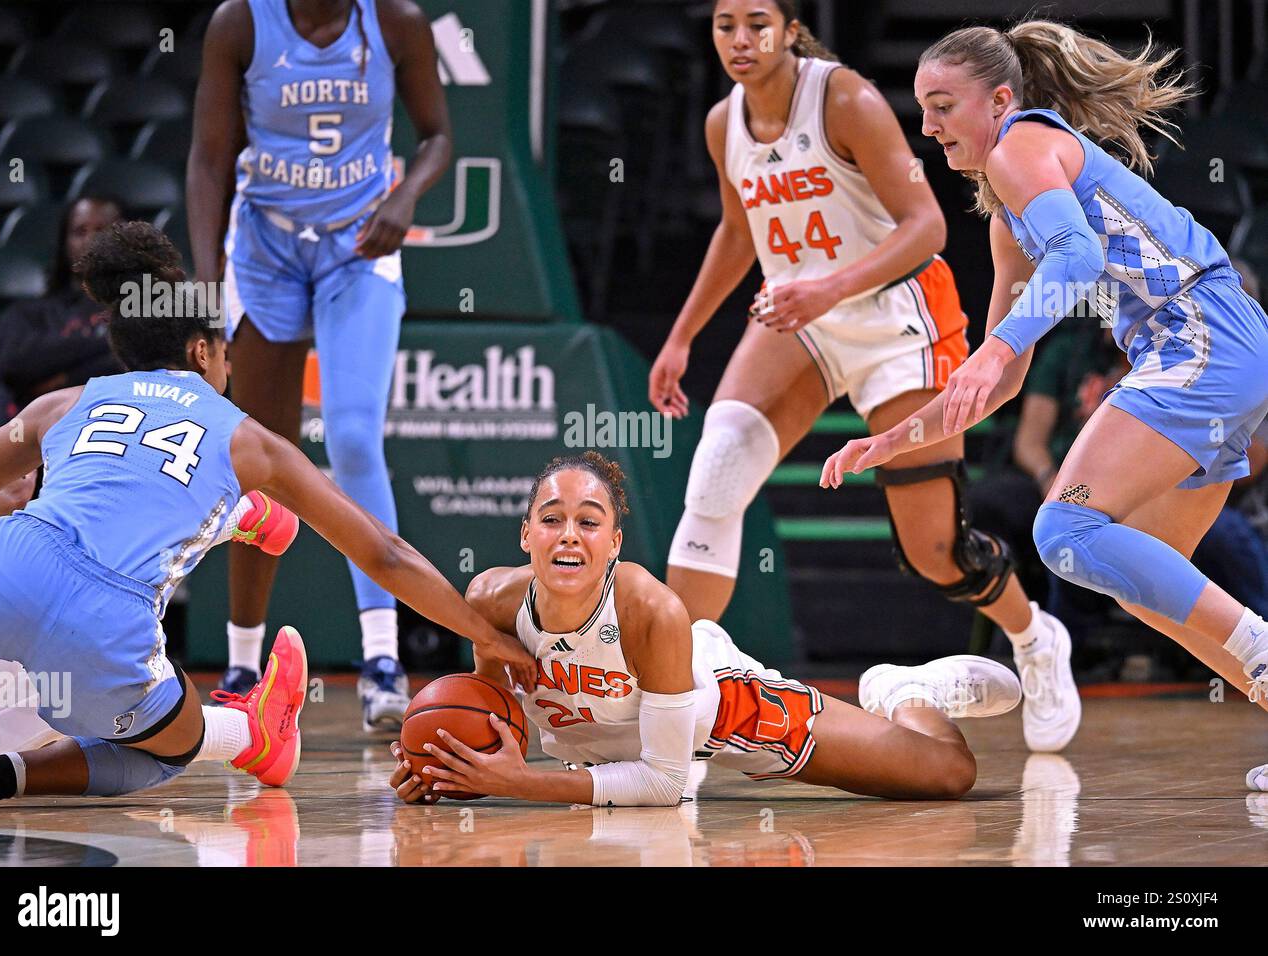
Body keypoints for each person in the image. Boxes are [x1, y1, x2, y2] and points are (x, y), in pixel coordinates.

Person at [822, 21, 1268, 792]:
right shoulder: (1010, 221)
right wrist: (895, 439)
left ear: (1000, 100)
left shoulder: (1021, 142)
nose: (928, 126)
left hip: (1199, 336)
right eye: (921, 109)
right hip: (1226, 347)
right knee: (1148, 581)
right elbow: (996, 385)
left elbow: (1079, 256)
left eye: (943, 106)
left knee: (1065, 530)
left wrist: (995, 348)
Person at [0, 222, 534, 808]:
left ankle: (239, 520)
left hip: (5, 559)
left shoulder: (61, 405)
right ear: (203, 352)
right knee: (170, 750)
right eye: (226, 354)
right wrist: (485, 636)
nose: (230, 369)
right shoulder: (250, 441)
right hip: (106, 620)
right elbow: (386, 555)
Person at [646, 0, 1079, 752]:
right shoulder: (724, 124)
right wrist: (681, 336)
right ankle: (673, 703)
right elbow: (738, 230)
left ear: (790, 29)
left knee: (936, 552)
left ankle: (1035, 637)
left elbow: (928, 226)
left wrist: (829, 288)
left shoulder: (843, 97)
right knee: (716, 469)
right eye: (725, 25)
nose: (741, 40)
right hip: (801, 315)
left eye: (757, 22)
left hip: (898, 319)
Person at [387, 451, 1024, 808]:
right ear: (526, 535)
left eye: (589, 521)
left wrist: (522, 785)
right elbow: (495, 722)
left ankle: (906, 692)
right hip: (611, 754)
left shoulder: (648, 608)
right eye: (552, 520)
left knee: (947, 775)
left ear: (615, 543)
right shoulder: (491, 601)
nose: (569, 536)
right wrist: (444, 762)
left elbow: (665, 784)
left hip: (723, 710)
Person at [189, 0, 453, 729]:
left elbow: (438, 137)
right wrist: (207, 290)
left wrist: (405, 196)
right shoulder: (240, 23)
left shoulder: (395, 21)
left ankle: (382, 661)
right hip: (265, 247)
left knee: (354, 437)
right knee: (258, 457)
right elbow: (209, 158)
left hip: (359, 244)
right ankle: (242, 662)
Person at [0, 195, 126, 414]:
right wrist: (108, 346)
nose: (91, 239)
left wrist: (64, 379)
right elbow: (10, 364)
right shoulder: (29, 313)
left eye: (102, 230)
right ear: (65, 243)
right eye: (80, 231)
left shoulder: (140, 309)